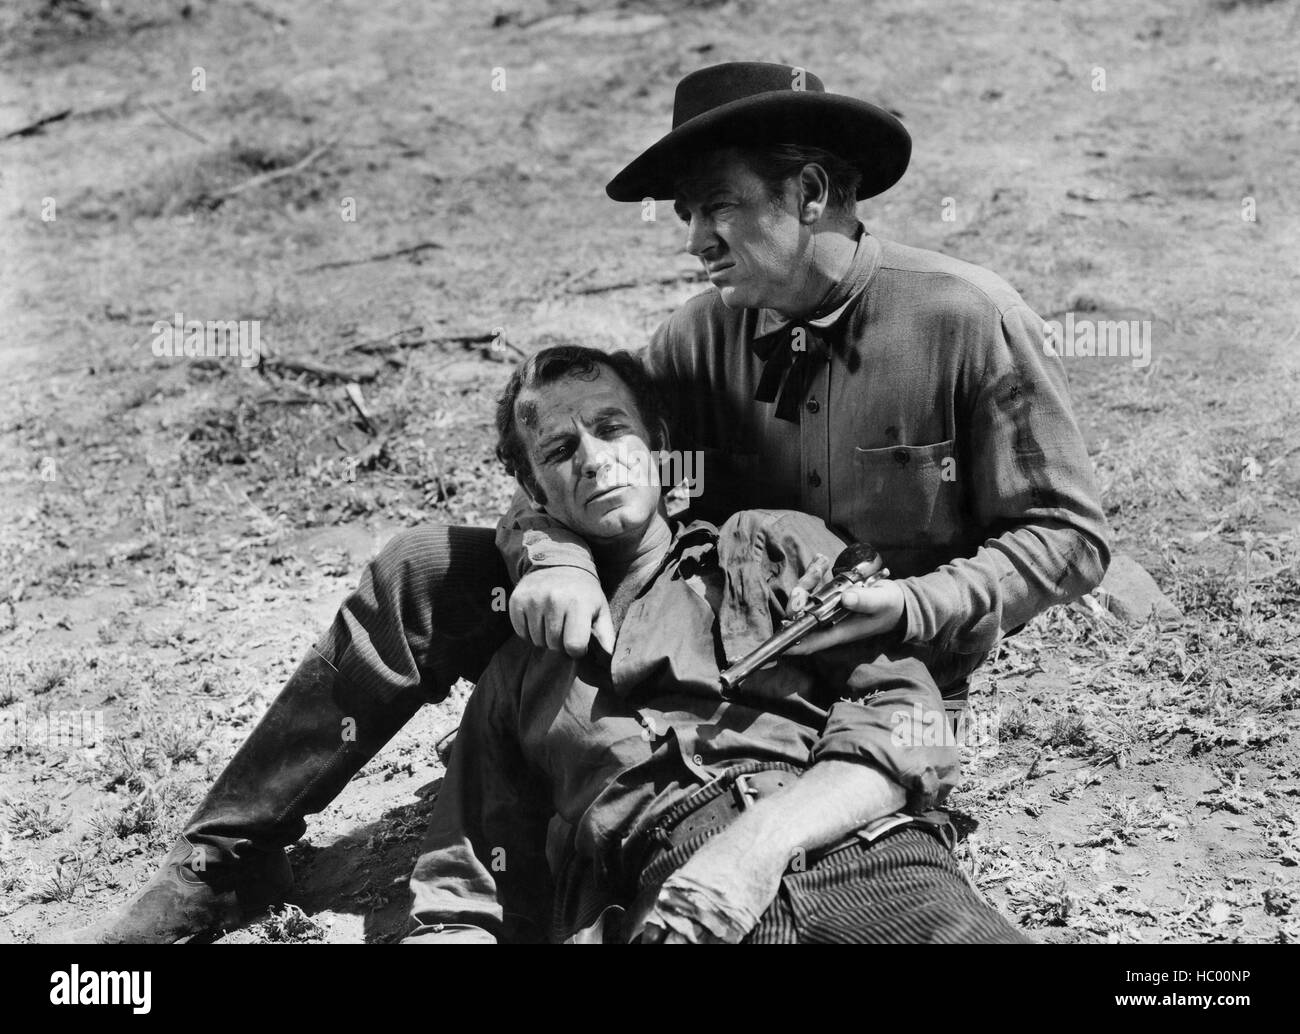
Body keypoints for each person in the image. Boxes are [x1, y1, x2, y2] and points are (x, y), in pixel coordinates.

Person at [49, 61, 1106, 944]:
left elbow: (1068, 539)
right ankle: (221, 856)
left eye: (718, 206)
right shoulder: (706, 332)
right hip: (696, 605)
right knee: (422, 566)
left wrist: (913, 609)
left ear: (815, 192)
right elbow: (581, 437)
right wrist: (546, 547)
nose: (693, 239)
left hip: (874, 660)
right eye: (688, 214)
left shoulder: (965, 316)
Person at [404, 343, 1027, 944]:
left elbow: (907, 718)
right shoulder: (520, 671)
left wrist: (756, 846)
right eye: (561, 449)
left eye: (612, 428)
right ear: (534, 493)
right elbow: (466, 892)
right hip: (667, 911)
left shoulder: (764, 549)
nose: (595, 460)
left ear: (660, 445)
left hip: (861, 857)